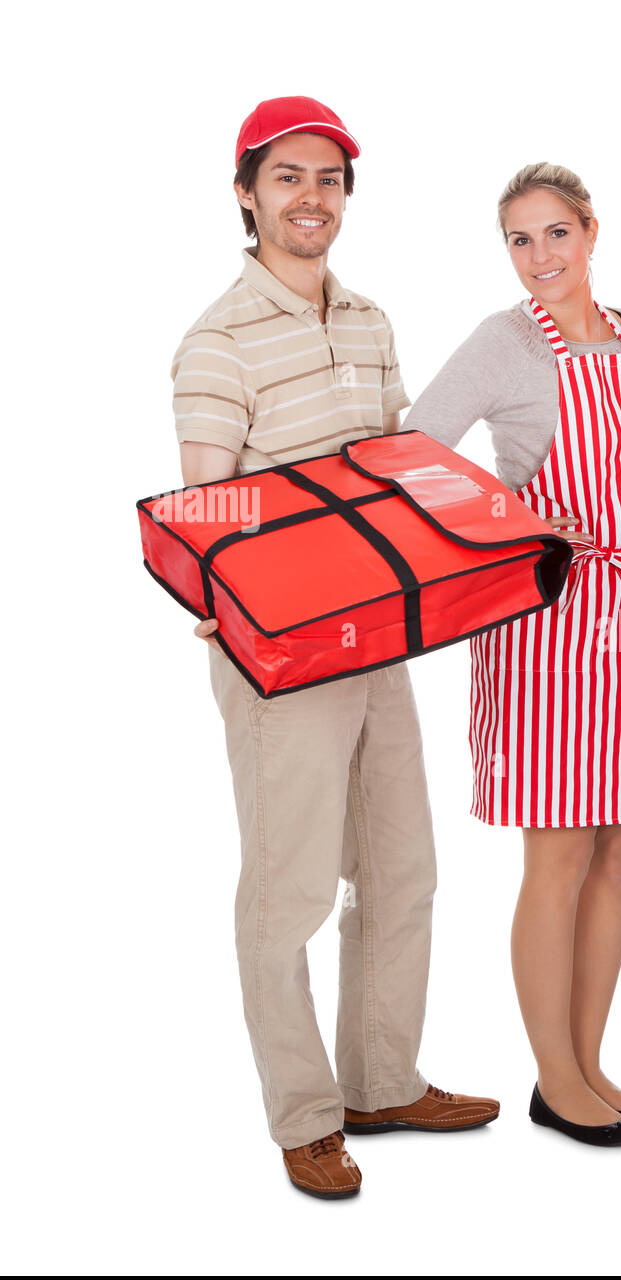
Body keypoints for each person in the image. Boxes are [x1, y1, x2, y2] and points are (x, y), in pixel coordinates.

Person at [170, 96, 499, 1199]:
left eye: (329, 179)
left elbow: (399, 465)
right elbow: (207, 510)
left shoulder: (366, 317)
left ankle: (382, 1079)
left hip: (377, 636)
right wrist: (232, 601)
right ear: (246, 193)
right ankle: (306, 1116)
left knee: (403, 870)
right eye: (289, 178)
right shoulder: (217, 339)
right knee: (289, 890)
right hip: (281, 652)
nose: (311, 198)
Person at [407, 163, 621, 1148]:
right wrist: (511, 521)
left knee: (618, 849)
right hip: (547, 618)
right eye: (519, 241)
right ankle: (554, 1077)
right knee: (558, 852)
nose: (539, 258)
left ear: (592, 231)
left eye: (555, 233)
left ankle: (592, 1062)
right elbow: (410, 451)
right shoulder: (503, 341)